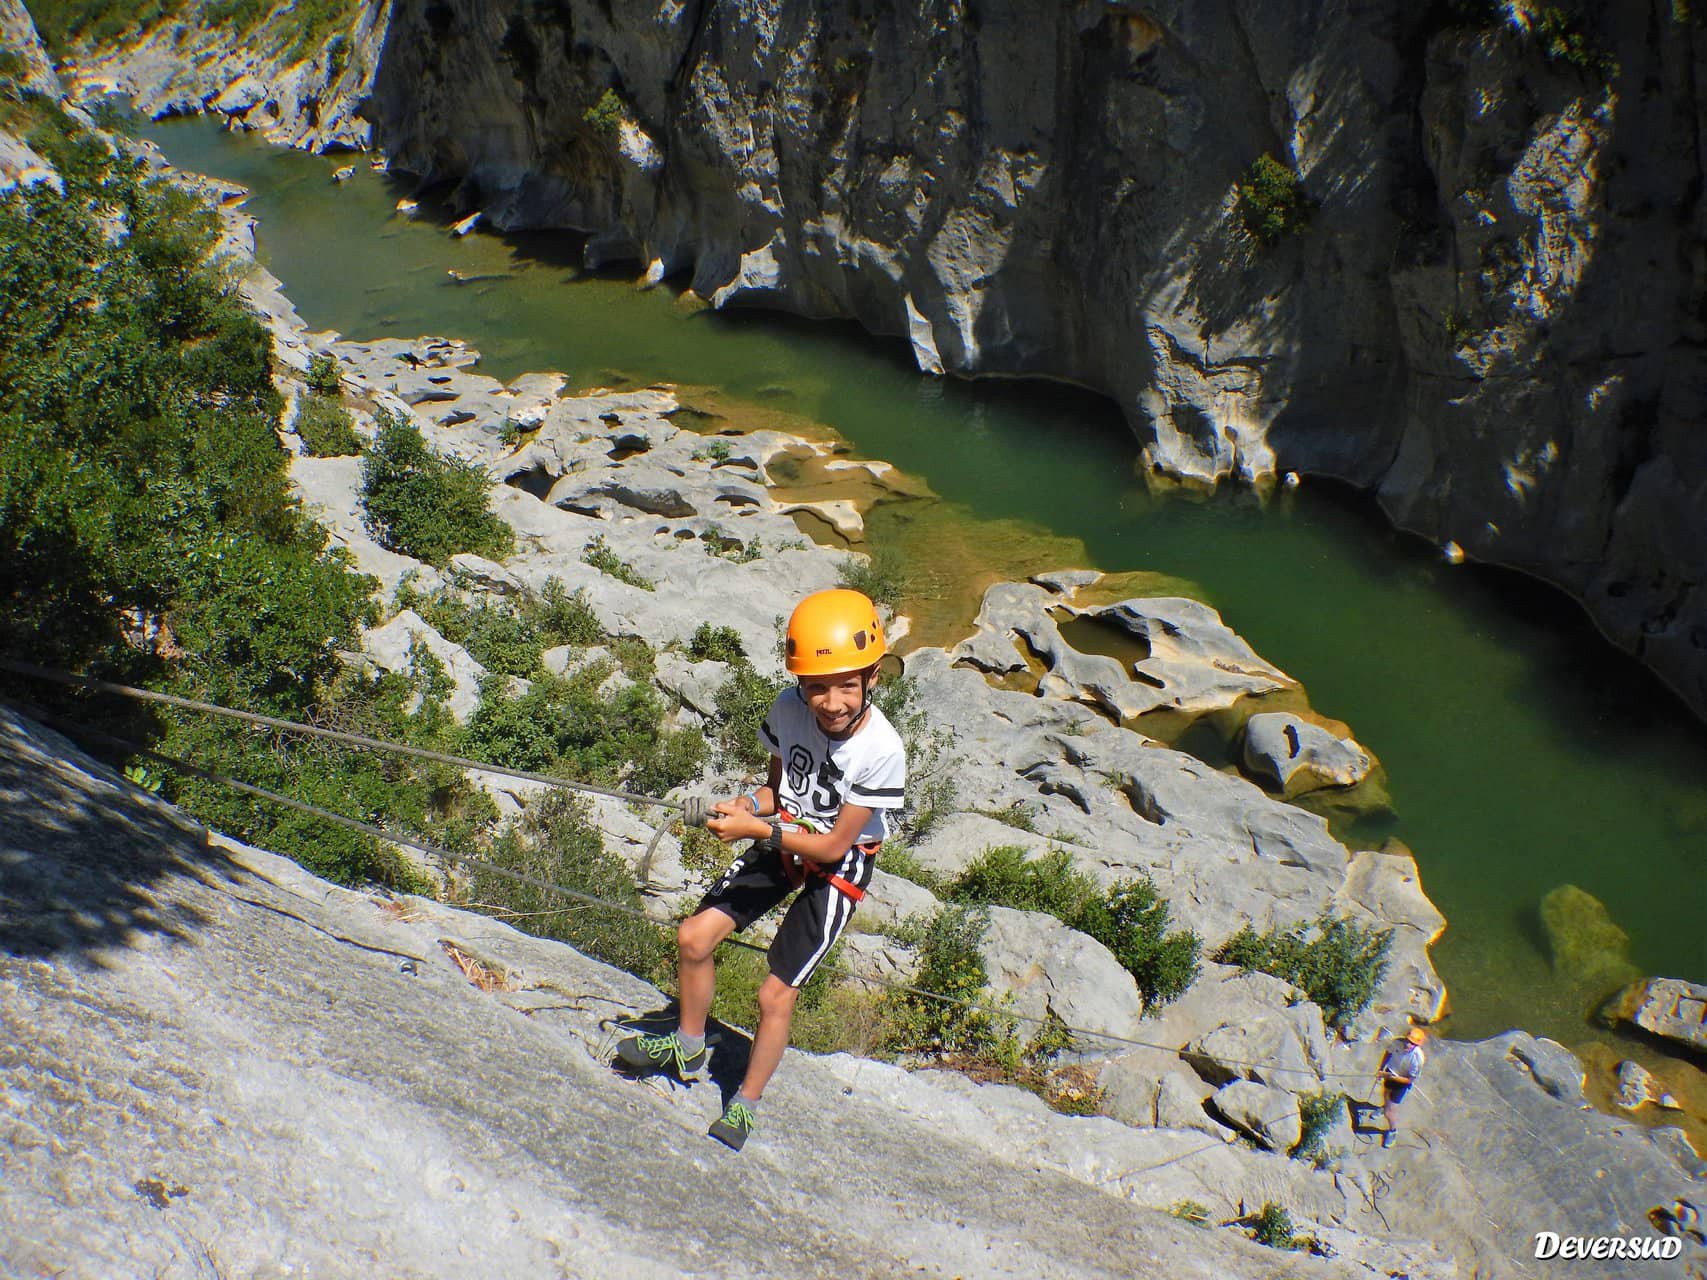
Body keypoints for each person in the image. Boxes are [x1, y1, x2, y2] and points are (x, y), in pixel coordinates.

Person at [615, 588, 907, 1151]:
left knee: (775, 995)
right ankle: (688, 1041)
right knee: (694, 937)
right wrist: (749, 805)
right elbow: (776, 789)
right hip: (783, 834)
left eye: (848, 684)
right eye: (817, 686)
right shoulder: (788, 708)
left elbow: (834, 844)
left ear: (872, 677)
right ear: (800, 684)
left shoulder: (881, 750)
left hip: (836, 865)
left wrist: (757, 830)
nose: (832, 701)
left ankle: (745, 1103)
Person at [1379, 1025, 1428, 1148]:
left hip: (1401, 1083)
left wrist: (1391, 1077)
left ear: (1416, 1046)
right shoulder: (1397, 1042)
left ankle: (1393, 1131)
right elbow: (1388, 1053)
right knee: (1385, 1093)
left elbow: (1410, 1080)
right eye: (1407, 1041)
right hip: (1391, 1072)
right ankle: (1384, 1107)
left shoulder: (1417, 1059)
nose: (1408, 1045)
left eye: (1412, 1044)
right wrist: (1381, 1069)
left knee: (1389, 1111)